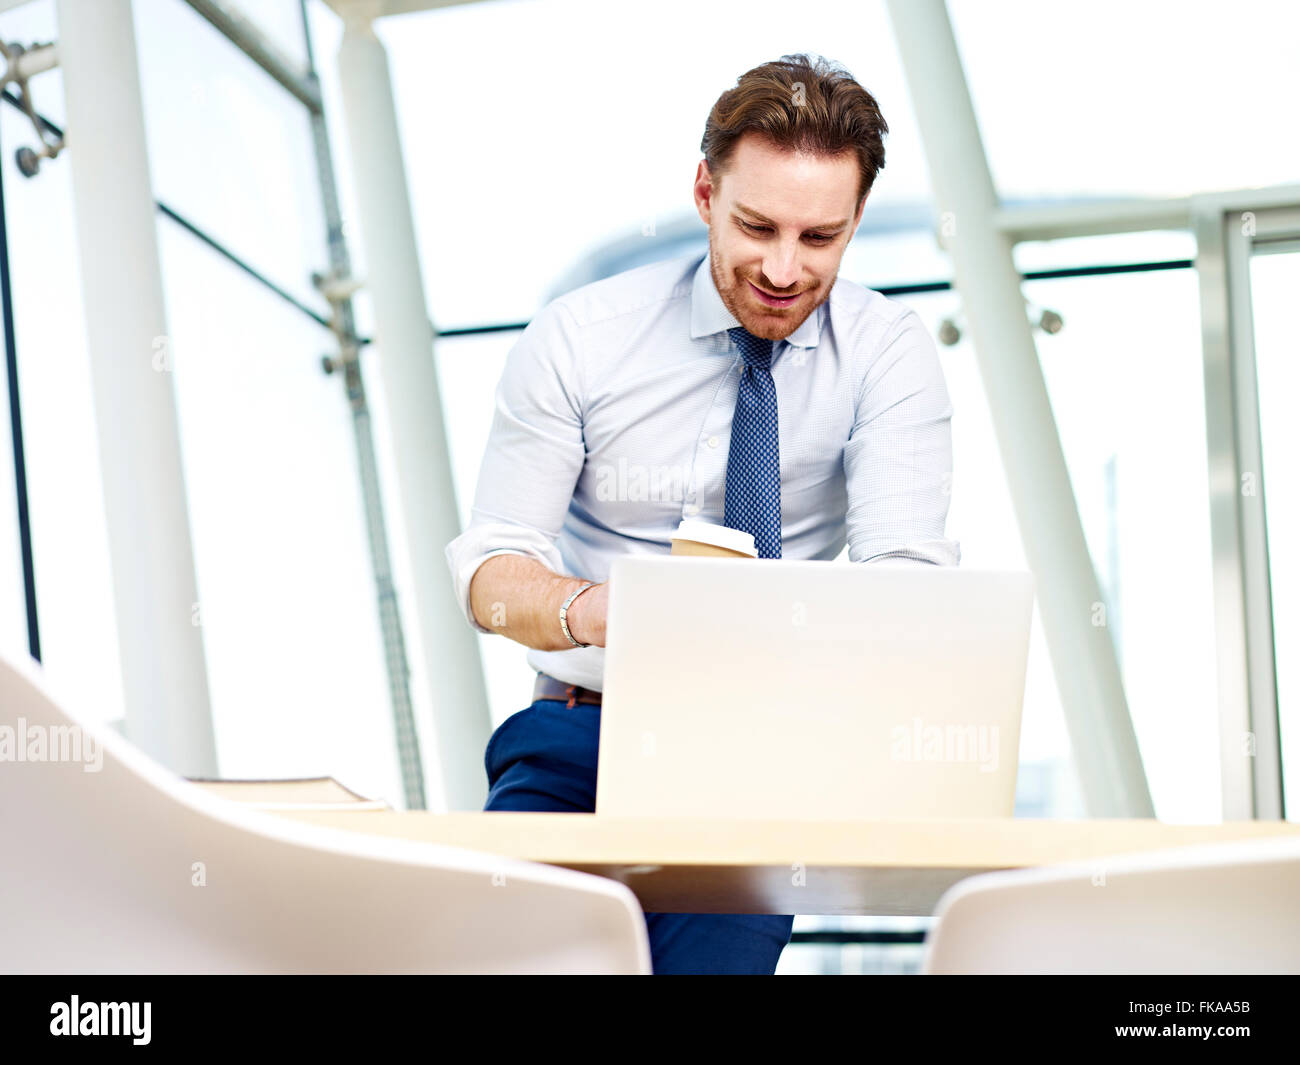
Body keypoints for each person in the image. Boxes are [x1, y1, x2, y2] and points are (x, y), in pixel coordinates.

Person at [445, 52, 960, 975]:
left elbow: (906, 592)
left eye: (819, 238)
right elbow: (490, 572)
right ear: (703, 193)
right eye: (756, 225)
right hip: (579, 728)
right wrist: (603, 610)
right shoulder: (580, 339)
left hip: (758, 755)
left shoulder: (886, 355)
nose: (782, 267)